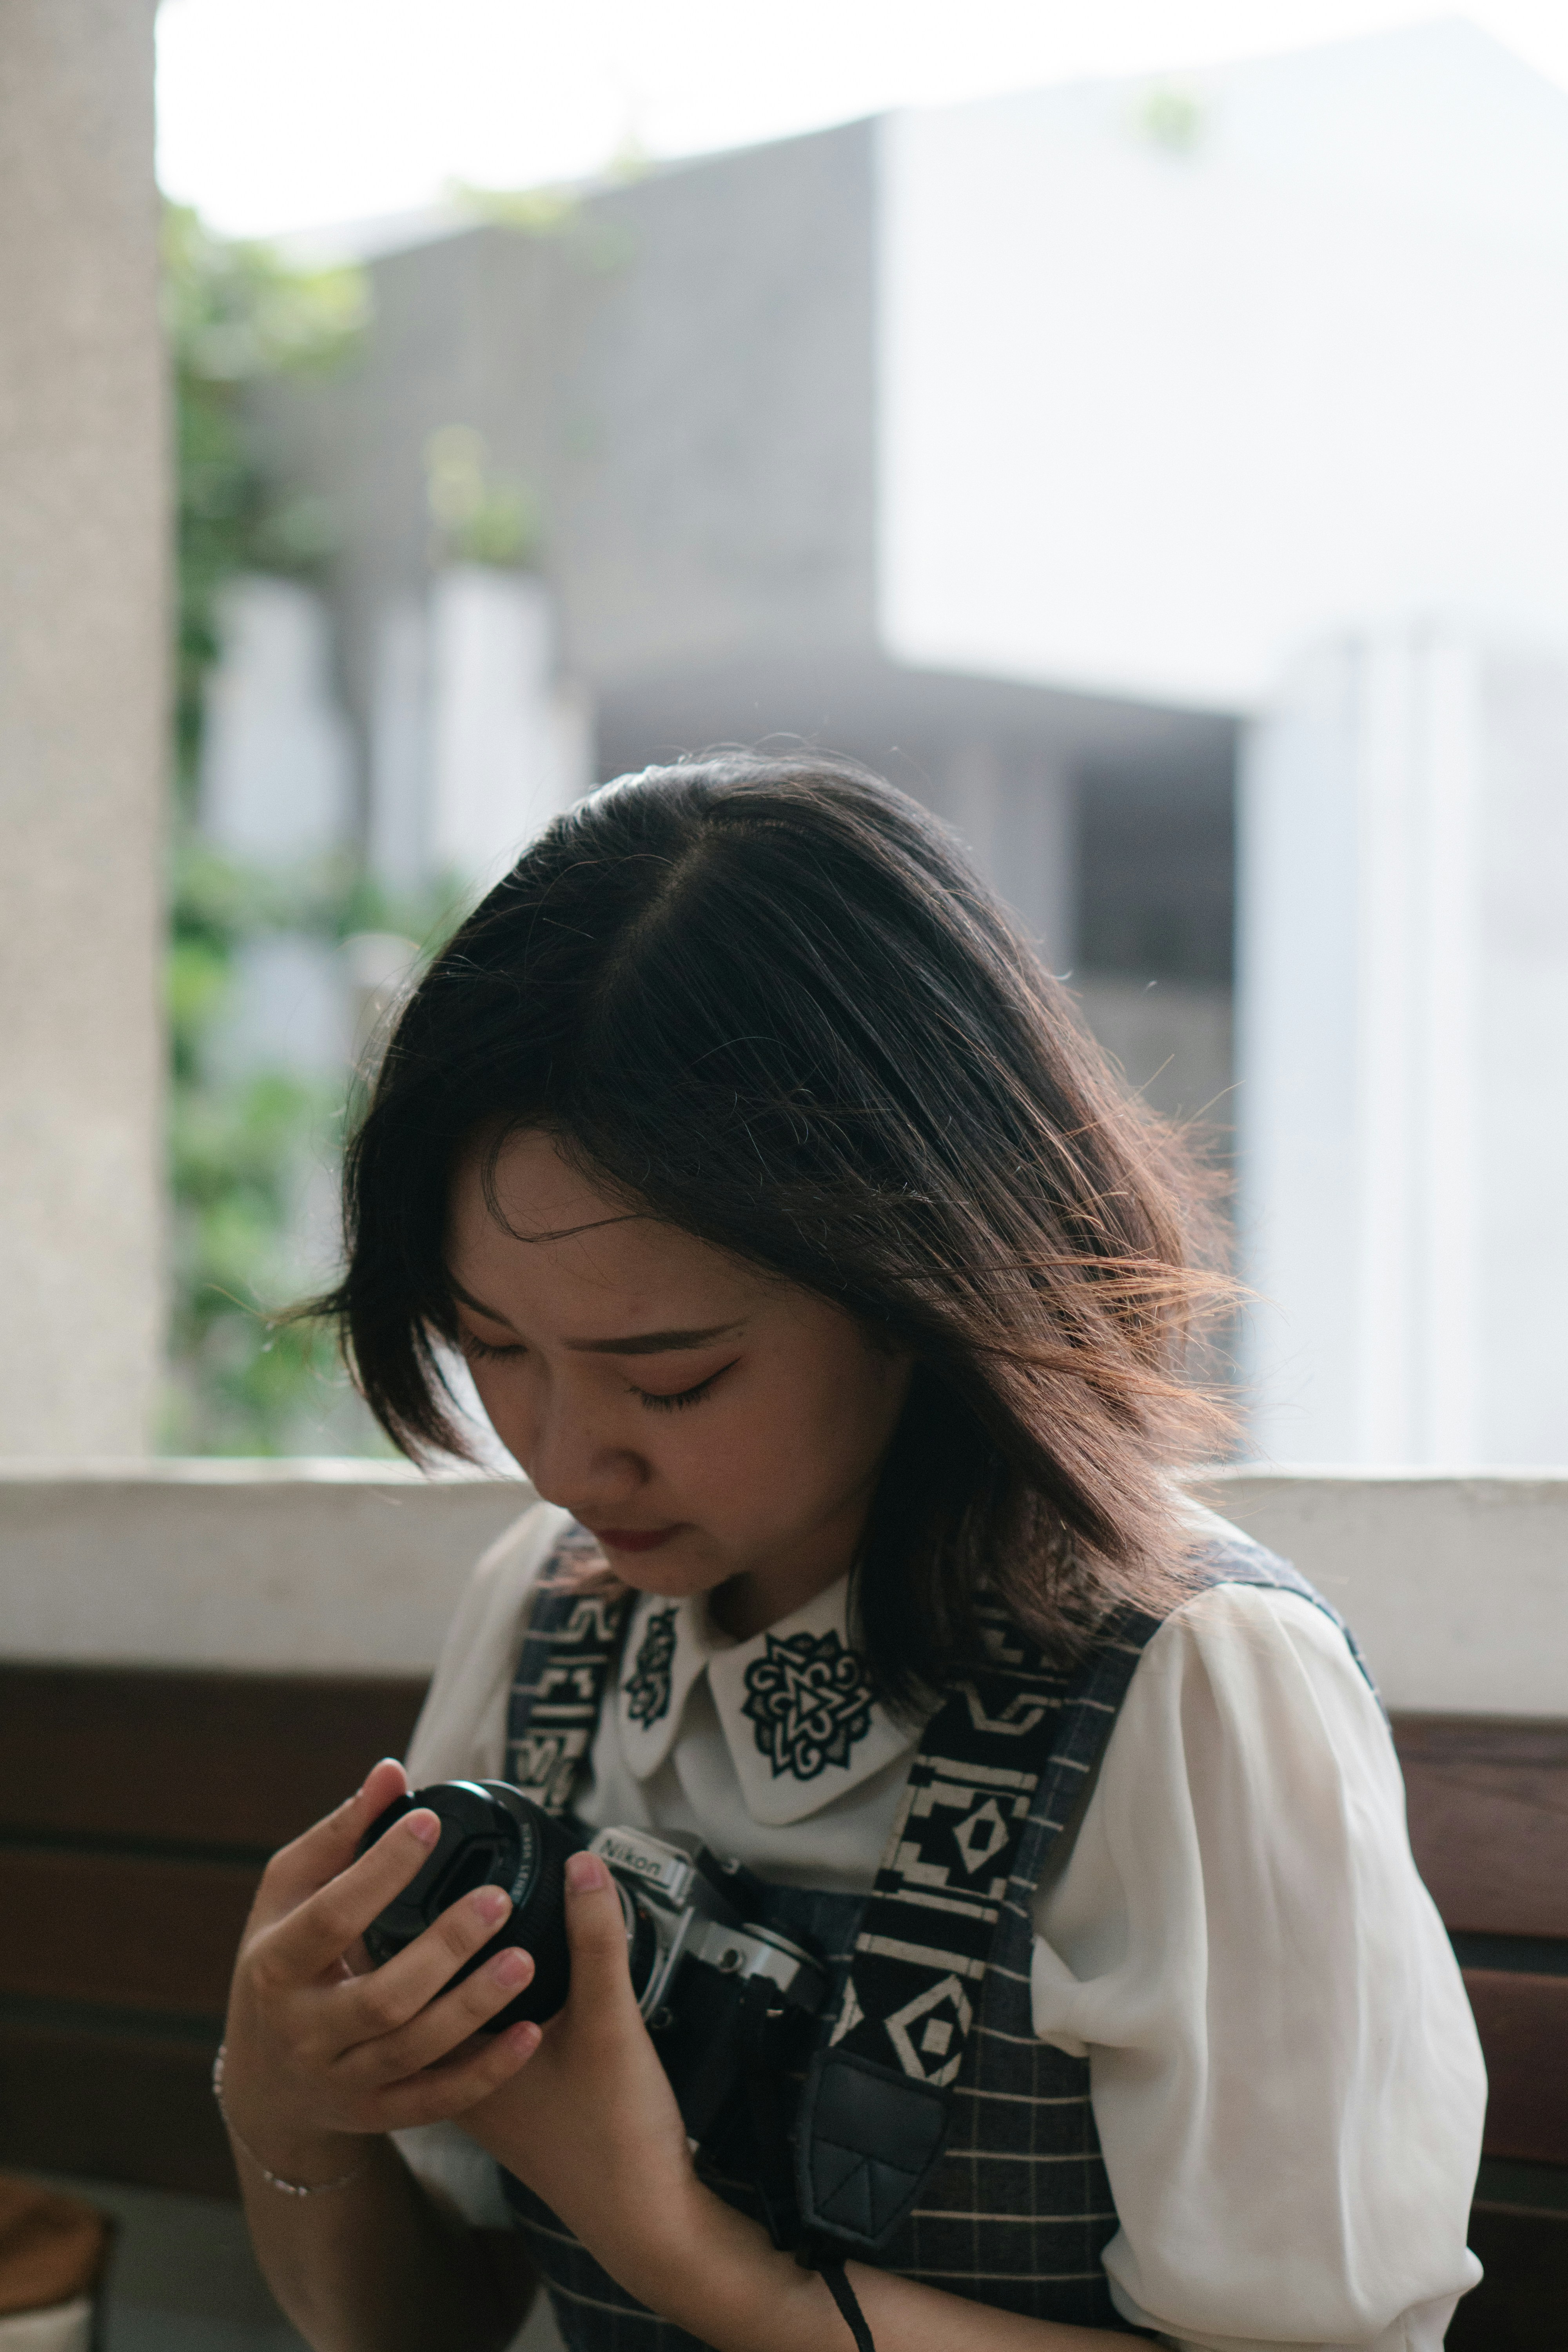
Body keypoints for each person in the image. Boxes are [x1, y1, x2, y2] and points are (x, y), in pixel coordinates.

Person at [219, 756, 1486, 2352]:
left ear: (918, 1287)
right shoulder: (551, 1622)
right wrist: (286, 2106)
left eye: (672, 1377)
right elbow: (428, 2330)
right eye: (493, 1350)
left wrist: (690, 2258)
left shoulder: (1192, 1685)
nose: (564, 1455)